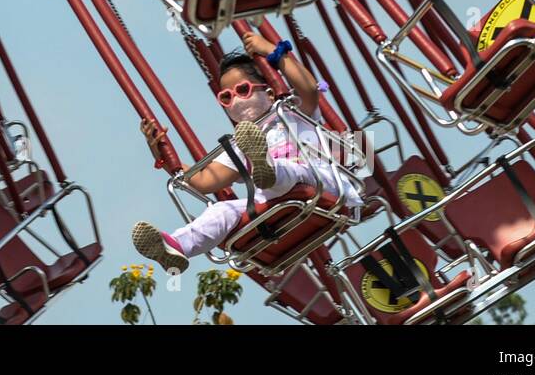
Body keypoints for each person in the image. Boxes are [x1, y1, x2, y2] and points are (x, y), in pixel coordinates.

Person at [130, 32, 362, 274]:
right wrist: (164, 158)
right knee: (221, 210)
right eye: (227, 97)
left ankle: (268, 170)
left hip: (321, 183)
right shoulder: (242, 144)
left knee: (291, 172)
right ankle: (175, 247)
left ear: (269, 92)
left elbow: (308, 88)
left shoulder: (292, 112)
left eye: (243, 90)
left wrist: (271, 50)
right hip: (273, 202)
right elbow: (204, 180)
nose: (236, 101)